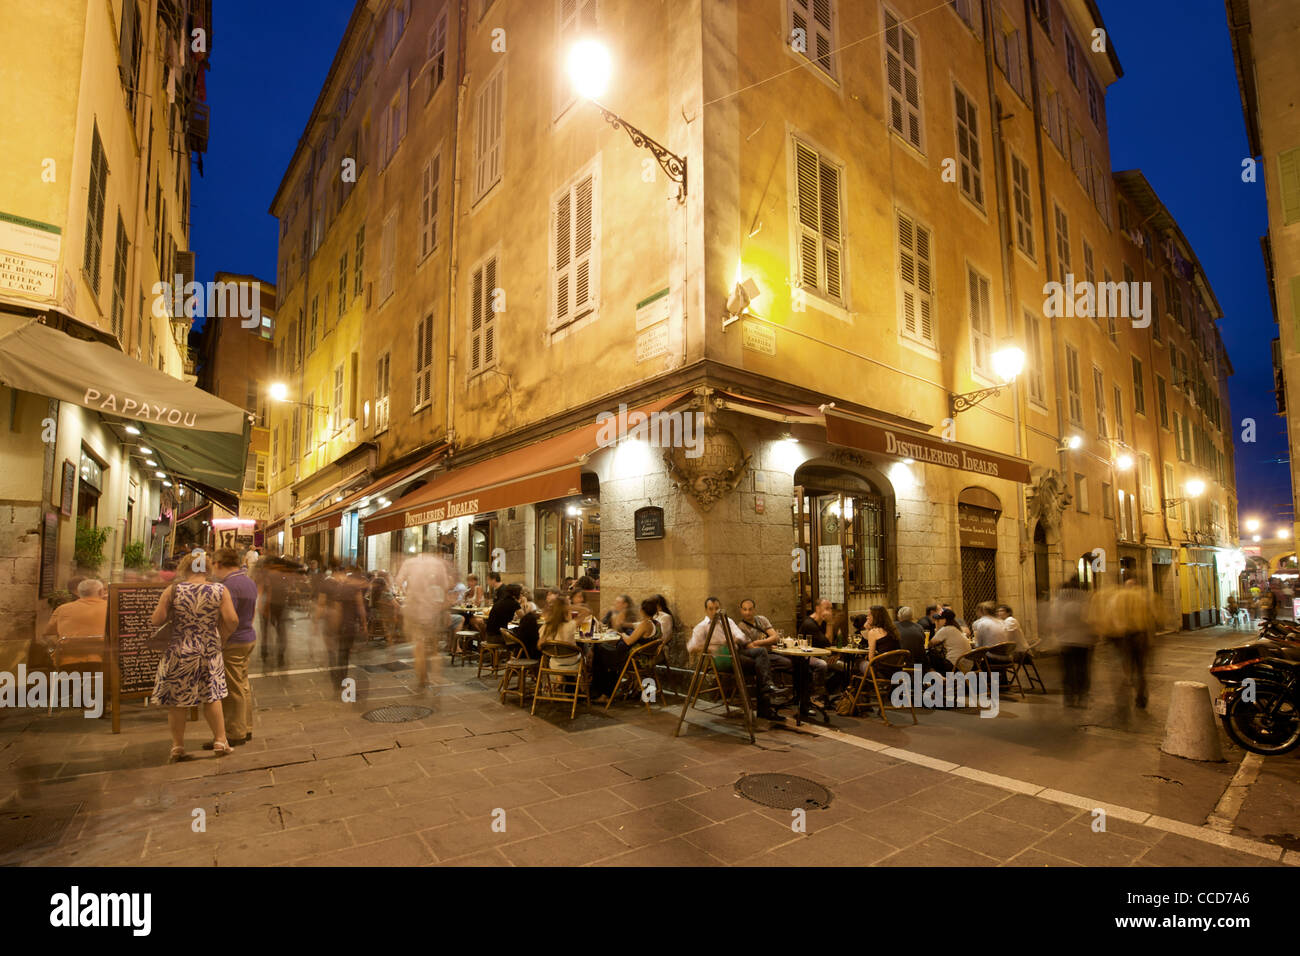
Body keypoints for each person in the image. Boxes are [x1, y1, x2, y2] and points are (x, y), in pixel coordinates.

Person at [149, 551, 239, 760]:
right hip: (209, 649)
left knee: (178, 700)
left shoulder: (173, 590)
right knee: (212, 695)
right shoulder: (219, 590)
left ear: (185, 568)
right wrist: (222, 637)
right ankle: (220, 740)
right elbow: (232, 619)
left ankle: (178, 746)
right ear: (207, 568)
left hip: (180, 648)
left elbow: (157, 620)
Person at [210, 549, 258, 746]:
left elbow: (230, 618)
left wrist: (222, 639)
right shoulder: (248, 581)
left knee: (233, 688)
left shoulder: (228, 585)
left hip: (235, 640)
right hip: (248, 636)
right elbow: (252, 612)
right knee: (243, 684)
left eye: (213, 565)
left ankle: (235, 732)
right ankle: (246, 727)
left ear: (220, 564)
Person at [395, 552, 452, 690]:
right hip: (432, 610)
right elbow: (446, 587)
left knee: (418, 645)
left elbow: (398, 583)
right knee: (434, 648)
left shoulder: (410, 563)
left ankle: (422, 678)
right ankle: (437, 678)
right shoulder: (438, 564)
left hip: (414, 609)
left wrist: (408, 591)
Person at [592, 598, 662, 703]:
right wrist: (623, 625)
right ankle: (606, 694)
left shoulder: (645, 624)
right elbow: (635, 627)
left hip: (635, 661)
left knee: (600, 654)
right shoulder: (656, 623)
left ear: (642, 611)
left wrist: (621, 634)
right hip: (647, 659)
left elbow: (629, 641)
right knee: (604, 655)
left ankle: (602, 693)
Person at [734, 598, 793, 717]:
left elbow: (775, 637)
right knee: (762, 668)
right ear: (741, 611)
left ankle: (793, 697)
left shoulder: (762, 619)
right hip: (754, 656)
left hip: (767, 654)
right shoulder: (740, 627)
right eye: (745, 610)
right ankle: (767, 700)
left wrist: (759, 642)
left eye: (750, 609)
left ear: (754, 610)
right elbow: (750, 647)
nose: (747, 612)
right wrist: (766, 642)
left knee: (788, 663)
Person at [1051, 577, 1095, 708]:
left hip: (1065, 642)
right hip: (1083, 642)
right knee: (1082, 669)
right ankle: (1082, 696)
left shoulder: (1058, 602)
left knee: (1068, 670)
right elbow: (1091, 620)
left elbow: (1054, 622)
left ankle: (1069, 697)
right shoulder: (1085, 601)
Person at [43, 578, 108, 640]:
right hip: (101, 650)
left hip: (68, 650)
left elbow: (49, 633)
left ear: (79, 593)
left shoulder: (62, 609)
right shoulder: (110, 608)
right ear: (100, 592)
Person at [538, 596, 582, 673]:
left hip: (555, 662)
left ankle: (559, 677)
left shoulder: (545, 627)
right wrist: (569, 606)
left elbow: (539, 646)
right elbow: (587, 611)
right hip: (572, 661)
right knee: (585, 652)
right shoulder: (570, 625)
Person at [928, 608, 972, 673]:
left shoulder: (946, 629)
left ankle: (937, 679)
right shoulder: (956, 628)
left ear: (944, 620)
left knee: (930, 654)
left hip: (956, 666)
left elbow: (930, 644)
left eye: (938, 620)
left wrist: (937, 629)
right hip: (967, 665)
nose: (936, 621)